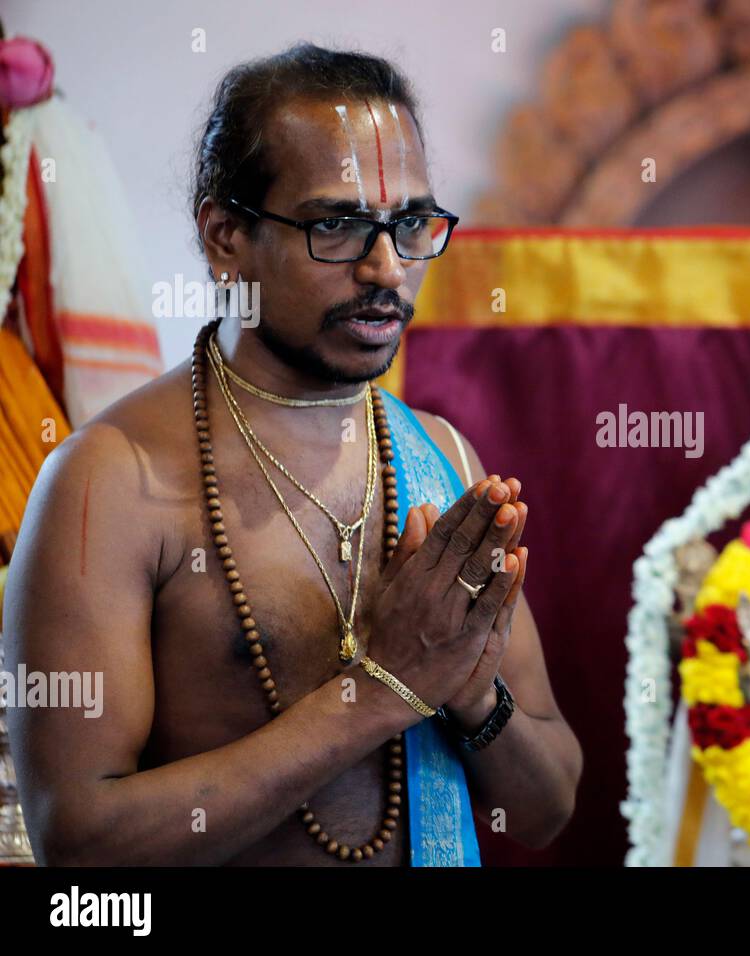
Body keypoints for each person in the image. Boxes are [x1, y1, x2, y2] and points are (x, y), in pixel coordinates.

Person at [0, 43, 581, 866]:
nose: (387, 269)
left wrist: (469, 691)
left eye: (411, 223)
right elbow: (81, 844)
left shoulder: (440, 456)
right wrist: (382, 688)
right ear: (226, 236)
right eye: (337, 225)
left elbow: (548, 806)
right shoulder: (112, 479)